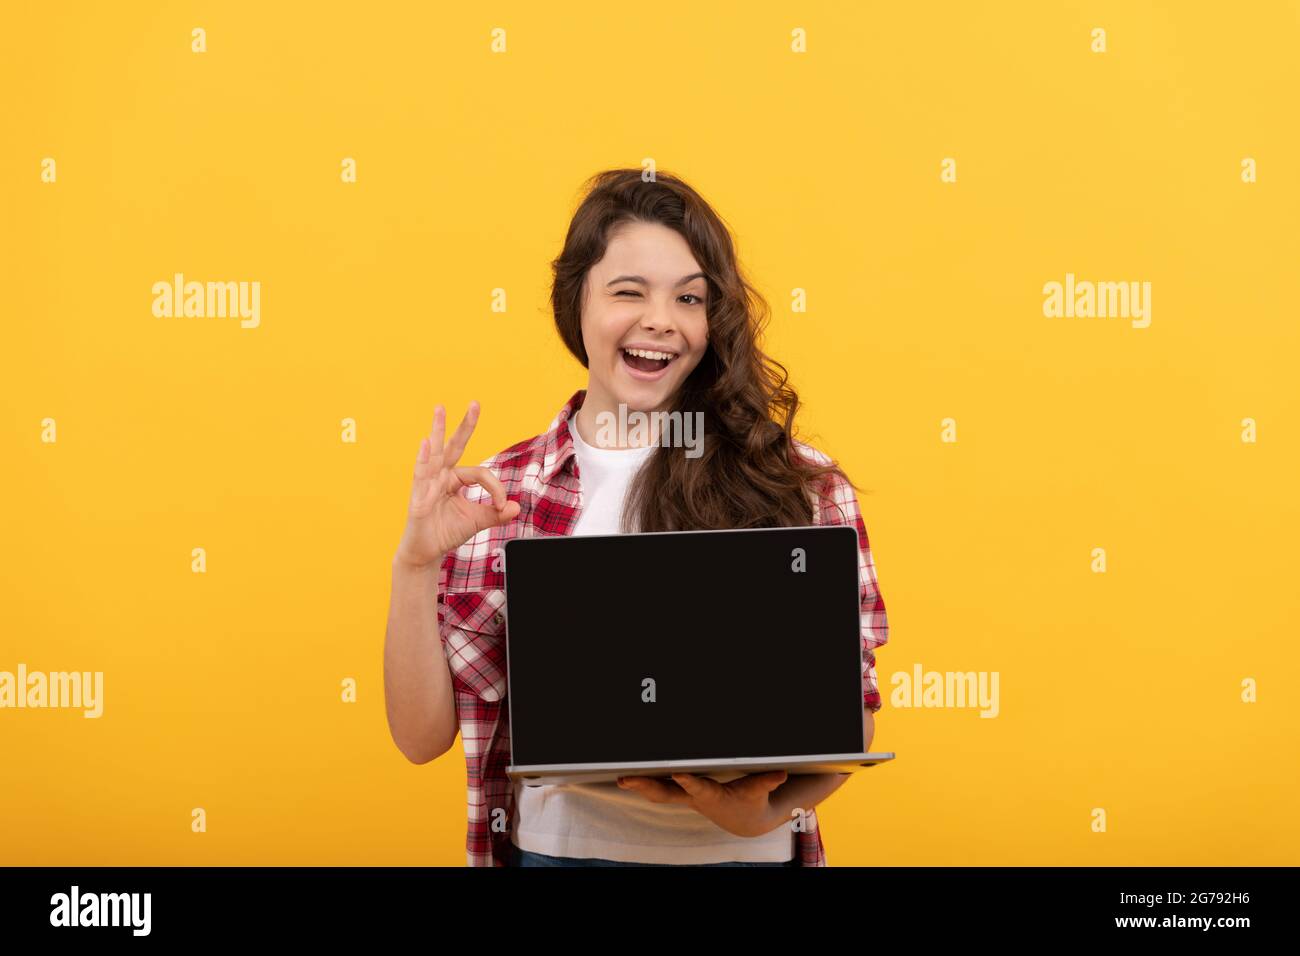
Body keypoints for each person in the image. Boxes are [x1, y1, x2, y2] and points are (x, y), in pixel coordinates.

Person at [383, 168, 889, 867]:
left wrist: (757, 811)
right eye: (629, 292)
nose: (661, 320)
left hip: (745, 857)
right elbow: (419, 737)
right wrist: (414, 565)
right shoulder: (503, 490)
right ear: (577, 303)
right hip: (561, 856)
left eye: (689, 298)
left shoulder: (797, 481)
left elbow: (848, 713)